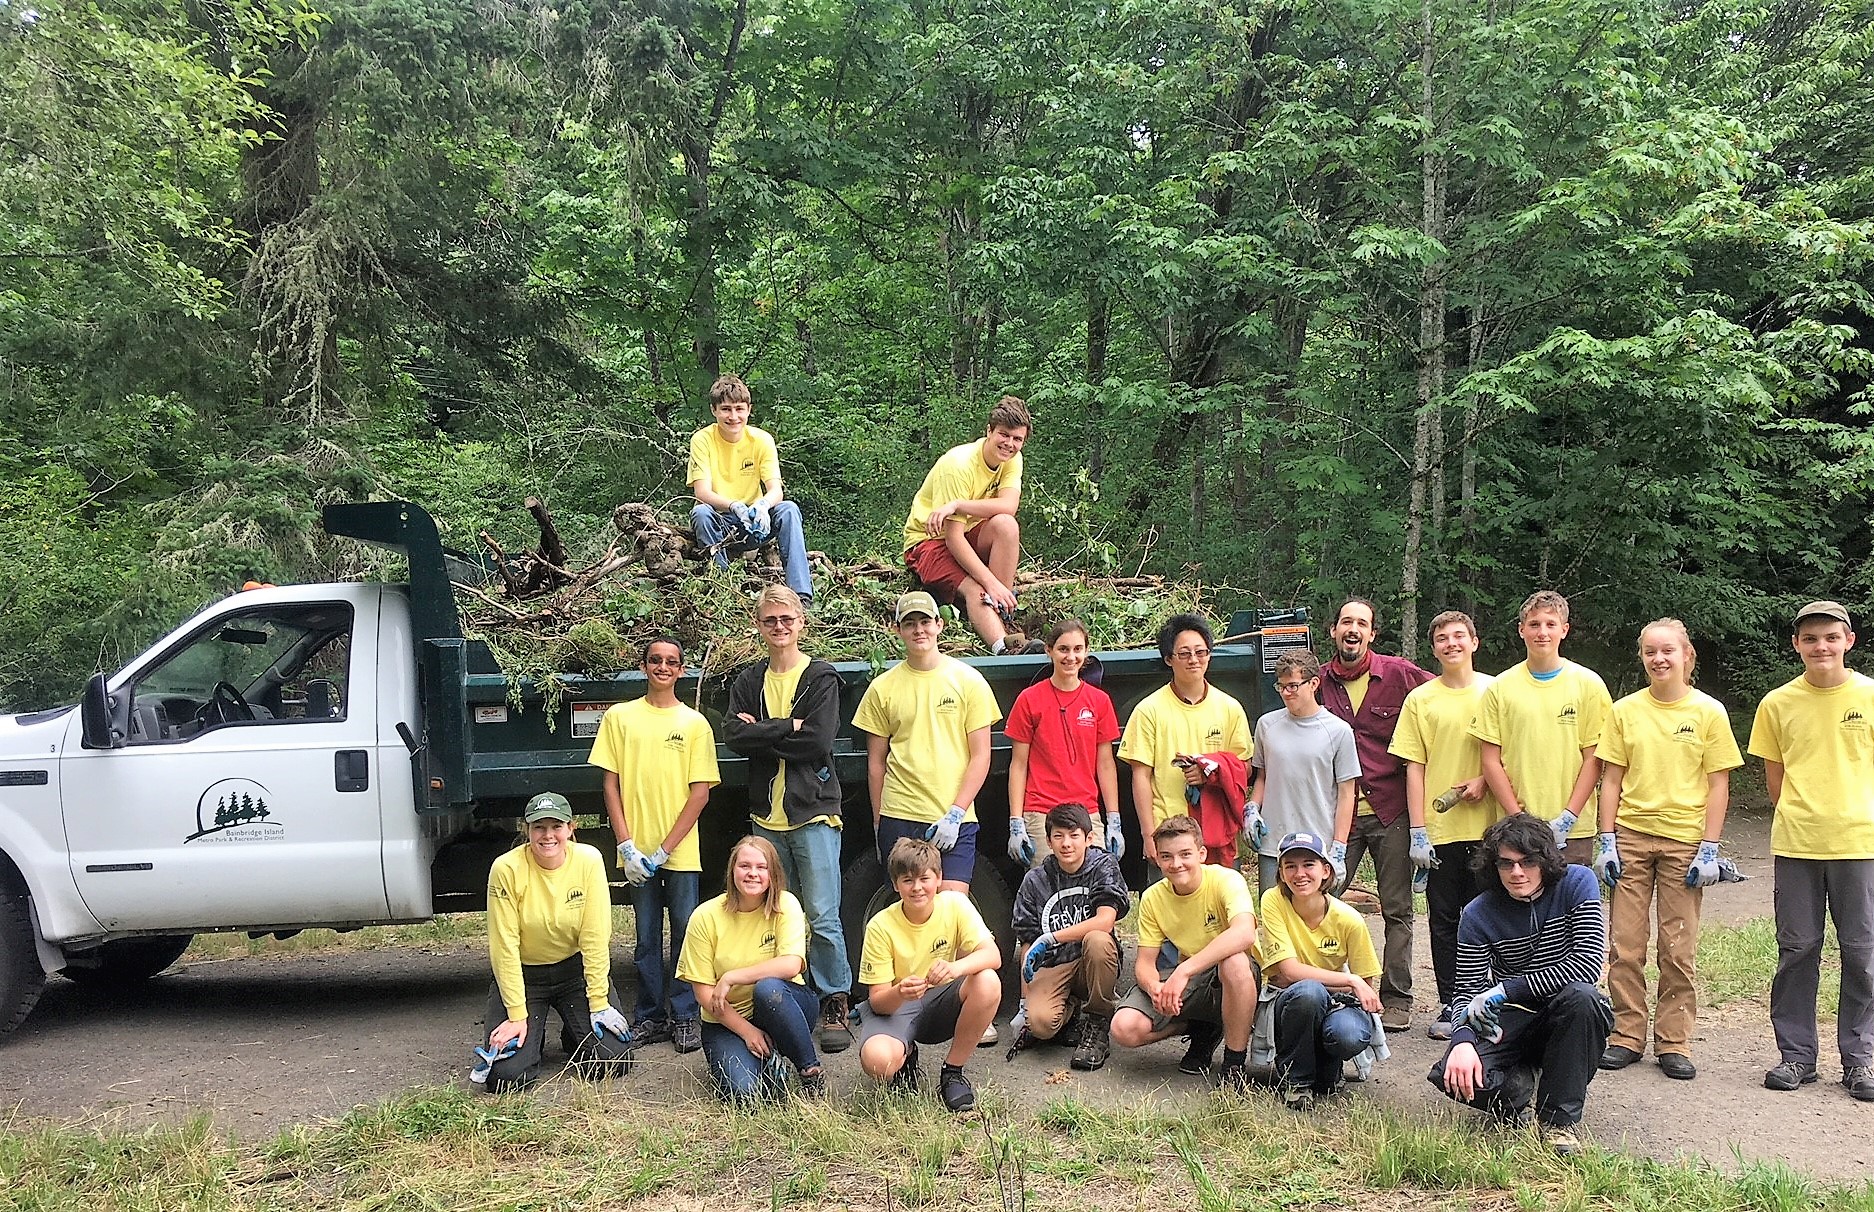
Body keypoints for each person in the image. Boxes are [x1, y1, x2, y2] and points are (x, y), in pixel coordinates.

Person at [1594, 619, 1743, 1081]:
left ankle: (1674, 1041)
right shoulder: (1624, 711)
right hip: (1632, 837)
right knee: (1625, 944)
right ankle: (1626, 1034)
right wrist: (1606, 840)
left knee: (1678, 948)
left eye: (1668, 651)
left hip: (1685, 842)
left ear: (1686, 656)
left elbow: (1719, 784)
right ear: (1642, 658)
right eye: (1650, 652)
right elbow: (1612, 779)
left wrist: (1710, 848)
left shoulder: (1708, 712)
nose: (1659, 659)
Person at [853, 591, 1003, 1043]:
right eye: (910, 623)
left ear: (940, 625)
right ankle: (904, 1011)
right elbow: (875, 762)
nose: (920, 629)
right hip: (901, 815)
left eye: (927, 621)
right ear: (898, 630)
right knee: (912, 911)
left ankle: (963, 1006)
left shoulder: (968, 681)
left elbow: (982, 755)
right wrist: (881, 821)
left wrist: (957, 811)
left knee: (952, 909)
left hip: (953, 819)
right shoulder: (883, 688)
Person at [1748, 600, 1874, 1101]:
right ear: (1797, 645)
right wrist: (1802, 815)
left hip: (1860, 844)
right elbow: (1775, 778)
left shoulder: (1869, 695)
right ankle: (1796, 1056)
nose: (1821, 647)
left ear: (1849, 641)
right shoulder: (1777, 704)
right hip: (1798, 845)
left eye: (1830, 637)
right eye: (1810, 639)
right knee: (1798, 950)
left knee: (1863, 955)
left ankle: (1860, 1059)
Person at [1428, 814, 1611, 1156]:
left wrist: (1503, 990)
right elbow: (1465, 990)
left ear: (1546, 860)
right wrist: (1462, 1040)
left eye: (1528, 862)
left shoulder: (1578, 883)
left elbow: (1585, 967)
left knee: (1584, 999)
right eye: (1506, 863)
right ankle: (1520, 1085)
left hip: (1565, 1013)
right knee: (1451, 1074)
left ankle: (1557, 1122)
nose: (1517, 873)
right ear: (1493, 866)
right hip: (1511, 1019)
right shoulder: (1478, 913)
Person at [721, 585, 854, 1055]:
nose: (779, 627)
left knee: (821, 915)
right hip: (767, 817)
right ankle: (795, 1001)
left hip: (813, 812)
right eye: (770, 620)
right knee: (777, 914)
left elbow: (817, 742)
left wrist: (763, 732)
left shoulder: (821, 677)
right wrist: (784, 728)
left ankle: (835, 999)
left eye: (787, 619)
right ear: (758, 626)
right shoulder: (748, 679)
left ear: (801, 623)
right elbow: (734, 735)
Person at [588, 636, 721, 1054]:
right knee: (645, 937)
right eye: (655, 660)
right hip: (636, 855)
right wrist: (626, 845)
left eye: (672, 662)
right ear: (644, 666)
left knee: (685, 934)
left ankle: (685, 1016)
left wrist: (665, 848)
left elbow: (700, 792)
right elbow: (610, 784)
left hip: (679, 853)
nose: (663, 667)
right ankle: (649, 1016)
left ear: (682, 670)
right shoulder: (620, 718)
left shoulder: (694, 724)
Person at [1317, 597, 1434, 1033]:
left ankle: (1397, 996)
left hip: (1391, 810)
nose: (1353, 629)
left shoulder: (1400, 674)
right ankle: (1324, 988)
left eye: (1361, 623)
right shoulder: (1319, 681)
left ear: (1372, 633)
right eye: (1346, 621)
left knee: (1398, 908)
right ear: (1333, 631)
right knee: (1319, 899)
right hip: (1336, 815)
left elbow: (1445, 697)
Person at [1389, 609, 1502, 1041]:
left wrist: (1483, 781)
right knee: (1444, 919)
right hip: (1441, 833)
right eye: (1442, 639)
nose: (1451, 644)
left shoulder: (1497, 691)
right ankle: (1451, 1001)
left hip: (1490, 829)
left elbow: (1509, 753)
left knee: (1488, 914)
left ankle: (1487, 998)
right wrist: (1419, 830)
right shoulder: (1421, 699)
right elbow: (1414, 768)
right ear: (1433, 648)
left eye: (1459, 636)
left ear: (1474, 642)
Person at [475, 792, 634, 1092]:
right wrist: (517, 1015)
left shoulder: (588, 860)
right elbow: (503, 945)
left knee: (614, 1059)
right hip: (526, 975)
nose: (548, 835)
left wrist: (599, 1003)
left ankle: (575, 1033)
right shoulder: (506, 869)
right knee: (506, 1076)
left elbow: (595, 936)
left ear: (571, 828)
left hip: (573, 973)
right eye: (539, 827)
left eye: (556, 826)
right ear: (526, 830)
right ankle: (532, 1037)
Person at [1110, 815, 1261, 1087]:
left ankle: (1234, 1062)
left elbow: (1244, 932)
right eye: (1166, 856)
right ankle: (1199, 1026)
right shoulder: (1154, 897)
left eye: (1185, 854)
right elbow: (1144, 963)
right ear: (1157, 857)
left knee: (1234, 963)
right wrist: (1154, 987)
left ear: (1202, 854)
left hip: (1237, 977)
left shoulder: (1227, 880)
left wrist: (1184, 970)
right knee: (1124, 1028)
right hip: (1193, 980)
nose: (1176, 863)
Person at [856, 838, 1004, 1112]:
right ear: (895, 883)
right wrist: (900, 991)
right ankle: (906, 1054)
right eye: (907, 880)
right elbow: (877, 1001)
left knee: (987, 980)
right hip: (897, 1008)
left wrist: (956, 967)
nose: (917, 888)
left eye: (924, 878)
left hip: (940, 1000)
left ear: (938, 879)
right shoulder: (880, 926)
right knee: (877, 1062)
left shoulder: (956, 904)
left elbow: (993, 956)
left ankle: (952, 1072)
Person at [675, 836, 826, 1102]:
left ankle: (809, 1072)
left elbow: (792, 964)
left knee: (769, 988)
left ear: (773, 873)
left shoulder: (785, 904)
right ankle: (768, 1062)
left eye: (761, 867)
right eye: (745, 866)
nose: (753, 873)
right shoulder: (704, 916)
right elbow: (702, 993)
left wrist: (732, 977)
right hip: (727, 1022)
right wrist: (747, 1031)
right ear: (733, 870)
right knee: (746, 1095)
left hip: (786, 1006)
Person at [1472, 589, 1613, 866]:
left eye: (1551, 624)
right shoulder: (1500, 688)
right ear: (1521, 630)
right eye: (1534, 624)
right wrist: (1517, 818)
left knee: (1571, 904)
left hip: (1573, 830)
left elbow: (1594, 759)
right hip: (1514, 827)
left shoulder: (1589, 685)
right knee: (1519, 905)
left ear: (1565, 630)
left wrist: (1569, 816)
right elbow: (1490, 761)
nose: (1542, 632)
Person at [900, 396, 1041, 653]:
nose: (1009, 444)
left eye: (1017, 439)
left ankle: (1002, 615)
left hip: (967, 531)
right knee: (978, 588)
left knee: (1006, 525)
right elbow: (952, 538)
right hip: (930, 541)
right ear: (988, 431)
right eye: (1003, 435)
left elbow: (1008, 506)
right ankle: (1004, 648)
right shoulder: (958, 466)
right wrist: (992, 583)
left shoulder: (1012, 458)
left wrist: (958, 505)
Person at [1118, 613, 1252, 876]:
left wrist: (1211, 770)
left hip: (1215, 831)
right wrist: (1148, 835)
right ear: (1169, 659)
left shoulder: (1230, 708)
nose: (1194, 660)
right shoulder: (1149, 710)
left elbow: (1244, 767)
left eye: (1201, 652)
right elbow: (1141, 776)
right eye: (1185, 653)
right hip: (1168, 835)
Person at [1257, 831, 1383, 1110]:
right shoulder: (1273, 900)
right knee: (1308, 992)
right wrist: (1348, 980)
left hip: (1336, 1005)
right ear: (1280, 871)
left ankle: (1328, 1069)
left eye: (1308, 864)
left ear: (1326, 871)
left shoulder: (1349, 919)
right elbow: (1287, 972)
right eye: (1290, 865)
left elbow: (1364, 988)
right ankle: (1296, 1082)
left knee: (1347, 1033)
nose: (1299, 873)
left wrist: (1350, 985)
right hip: (1291, 1001)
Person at [1009, 803, 1130, 1070]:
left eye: (1074, 835)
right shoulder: (1035, 880)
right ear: (1049, 842)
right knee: (1039, 1024)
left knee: (1097, 939)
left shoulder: (1102, 866)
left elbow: (1105, 920)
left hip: (1091, 960)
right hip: (1055, 964)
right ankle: (1071, 1011)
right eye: (1059, 836)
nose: (1067, 844)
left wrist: (1052, 937)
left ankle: (1098, 1022)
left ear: (1088, 839)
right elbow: (1029, 940)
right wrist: (1023, 1001)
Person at [1005, 619, 1123, 868]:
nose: (1071, 657)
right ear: (1049, 650)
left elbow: (1105, 764)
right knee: (1044, 892)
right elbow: (1018, 765)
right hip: (1041, 813)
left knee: (1095, 889)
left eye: (1078, 649)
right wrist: (1016, 822)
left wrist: (1113, 819)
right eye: (1063, 649)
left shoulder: (1099, 701)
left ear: (1087, 651)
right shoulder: (1029, 700)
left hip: (1087, 812)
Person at [687, 374, 814, 602]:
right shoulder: (702, 440)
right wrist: (735, 506)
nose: (733, 416)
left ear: (749, 410)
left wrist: (763, 505)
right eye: (726, 409)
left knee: (789, 509)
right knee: (700, 512)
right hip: (721, 523)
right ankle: (723, 591)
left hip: (756, 522)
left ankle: (801, 596)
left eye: (739, 409)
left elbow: (776, 489)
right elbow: (702, 492)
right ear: (714, 410)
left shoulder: (762, 440)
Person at [1245, 649, 1360, 897]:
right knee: (1275, 918)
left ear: (1314, 683)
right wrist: (1252, 808)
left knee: (1321, 922)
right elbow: (1263, 776)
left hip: (1319, 845)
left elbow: (1346, 793)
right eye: (1282, 686)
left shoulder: (1339, 731)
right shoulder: (1267, 725)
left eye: (1294, 686)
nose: (1287, 693)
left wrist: (1339, 847)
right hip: (1274, 843)